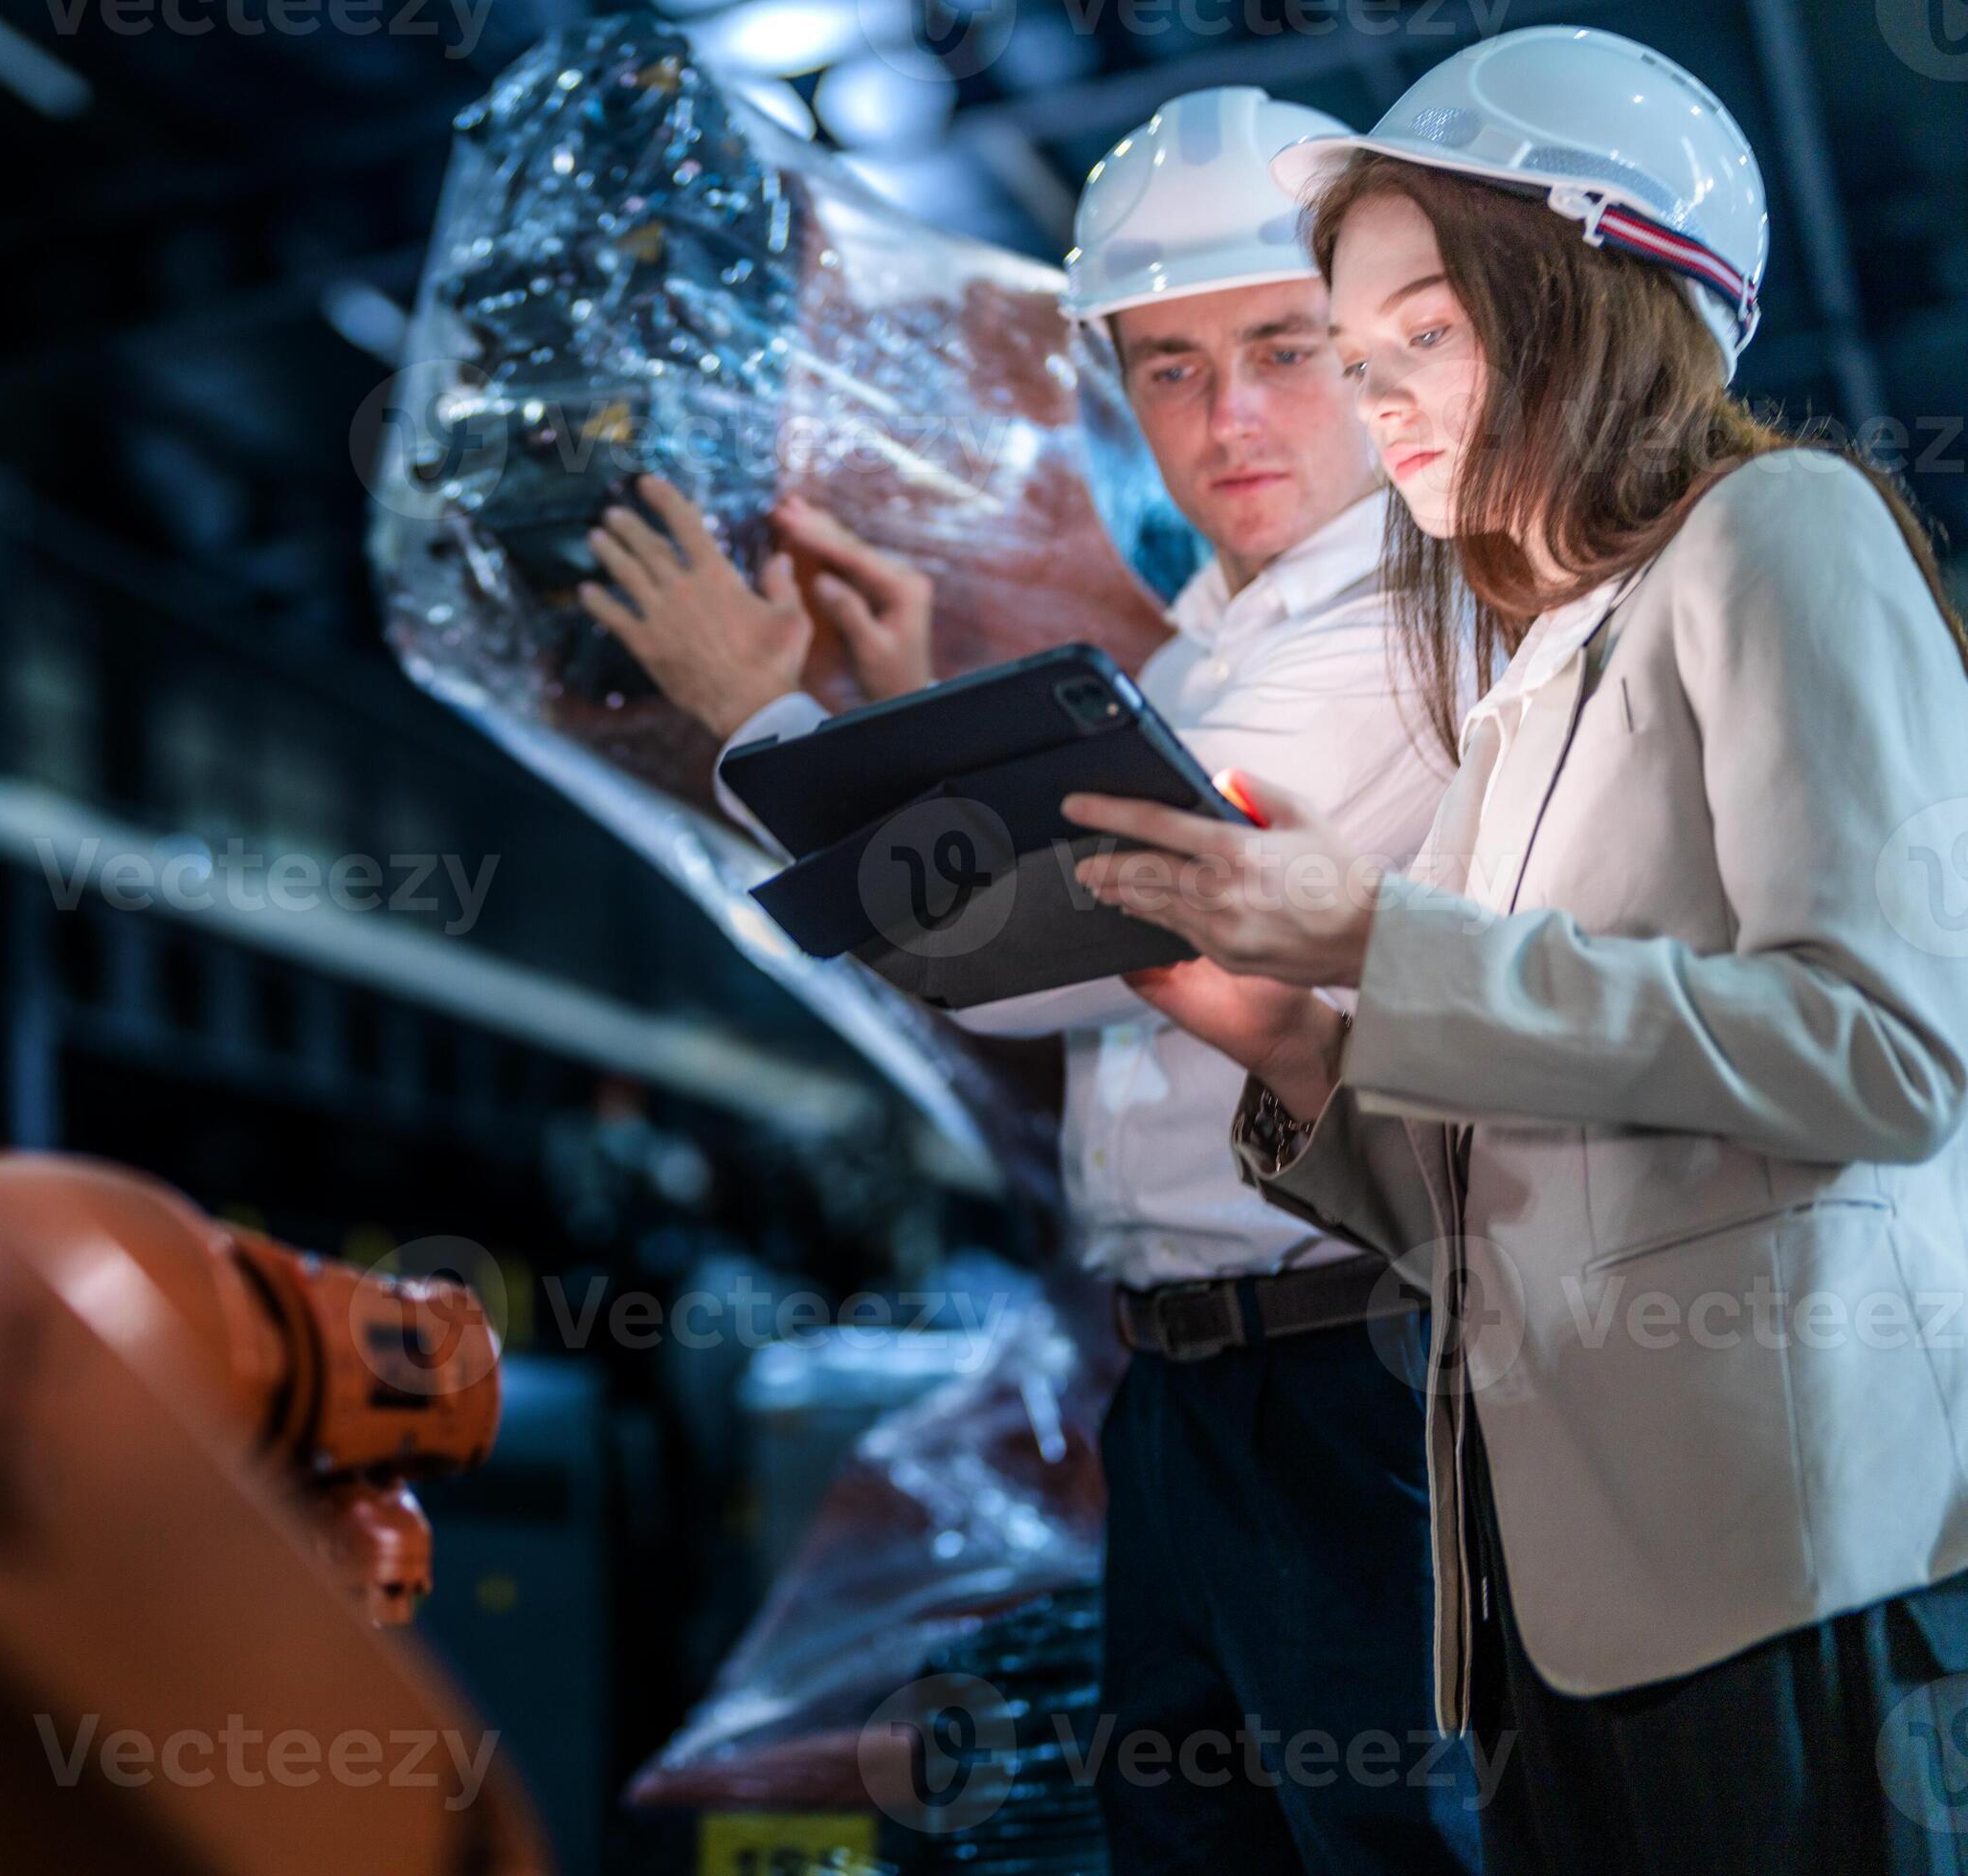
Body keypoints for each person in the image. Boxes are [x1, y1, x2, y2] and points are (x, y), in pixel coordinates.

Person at [1062, 27, 1968, 1872]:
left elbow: (1885, 1054)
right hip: (1551, 1614)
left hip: (1789, 1580)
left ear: (1588, 303)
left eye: (1427, 334)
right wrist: (1285, 1036)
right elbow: (1482, 1211)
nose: (1379, 401)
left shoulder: (1776, 535)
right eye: (1364, 351)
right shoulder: (1534, 695)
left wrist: (1380, 937)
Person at [581, 90, 1479, 1875]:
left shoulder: (1396, 629)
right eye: (1164, 366)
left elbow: (1038, 963)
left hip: (1344, 1369)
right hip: (1198, 1380)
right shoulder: (1222, 641)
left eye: (1280, 350)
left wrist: (766, 722)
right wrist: (901, 716)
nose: (1223, 419)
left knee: (1387, 1845)